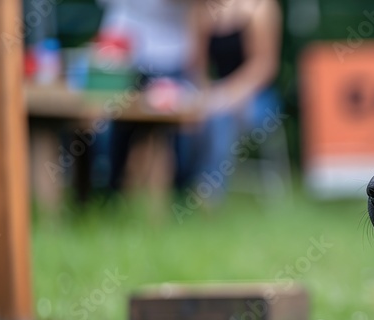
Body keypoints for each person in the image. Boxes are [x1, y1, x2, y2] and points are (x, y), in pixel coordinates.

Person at [95, 0, 195, 197]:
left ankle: (177, 193)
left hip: (170, 55)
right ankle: (112, 191)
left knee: (169, 132)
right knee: (116, 128)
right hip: (121, 52)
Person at [188, 0, 282, 203]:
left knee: (221, 116)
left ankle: (210, 192)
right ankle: (183, 185)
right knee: (189, 114)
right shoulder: (202, 9)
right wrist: (205, 94)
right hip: (217, 91)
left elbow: (264, 66)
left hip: (256, 95)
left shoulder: (261, 7)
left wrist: (228, 95)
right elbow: (198, 66)